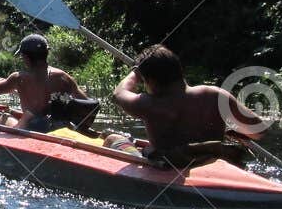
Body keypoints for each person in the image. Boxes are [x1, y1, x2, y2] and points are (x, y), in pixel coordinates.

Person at [109, 43, 263, 166]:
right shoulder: (215, 95)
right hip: (213, 160)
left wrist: (135, 72)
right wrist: (236, 131)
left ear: (150, 81)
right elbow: (259, 131)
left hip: (172, 165)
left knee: (112, 138)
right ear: (179, 71)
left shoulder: (148, 104)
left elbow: (119, 93)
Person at [0, 34, 96, 132]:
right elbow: (87, 104)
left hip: (32, 128)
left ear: (26, 58)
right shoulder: (63, 77)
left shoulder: (18, 77)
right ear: (46, 53)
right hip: (57, 127)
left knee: (2, 117)